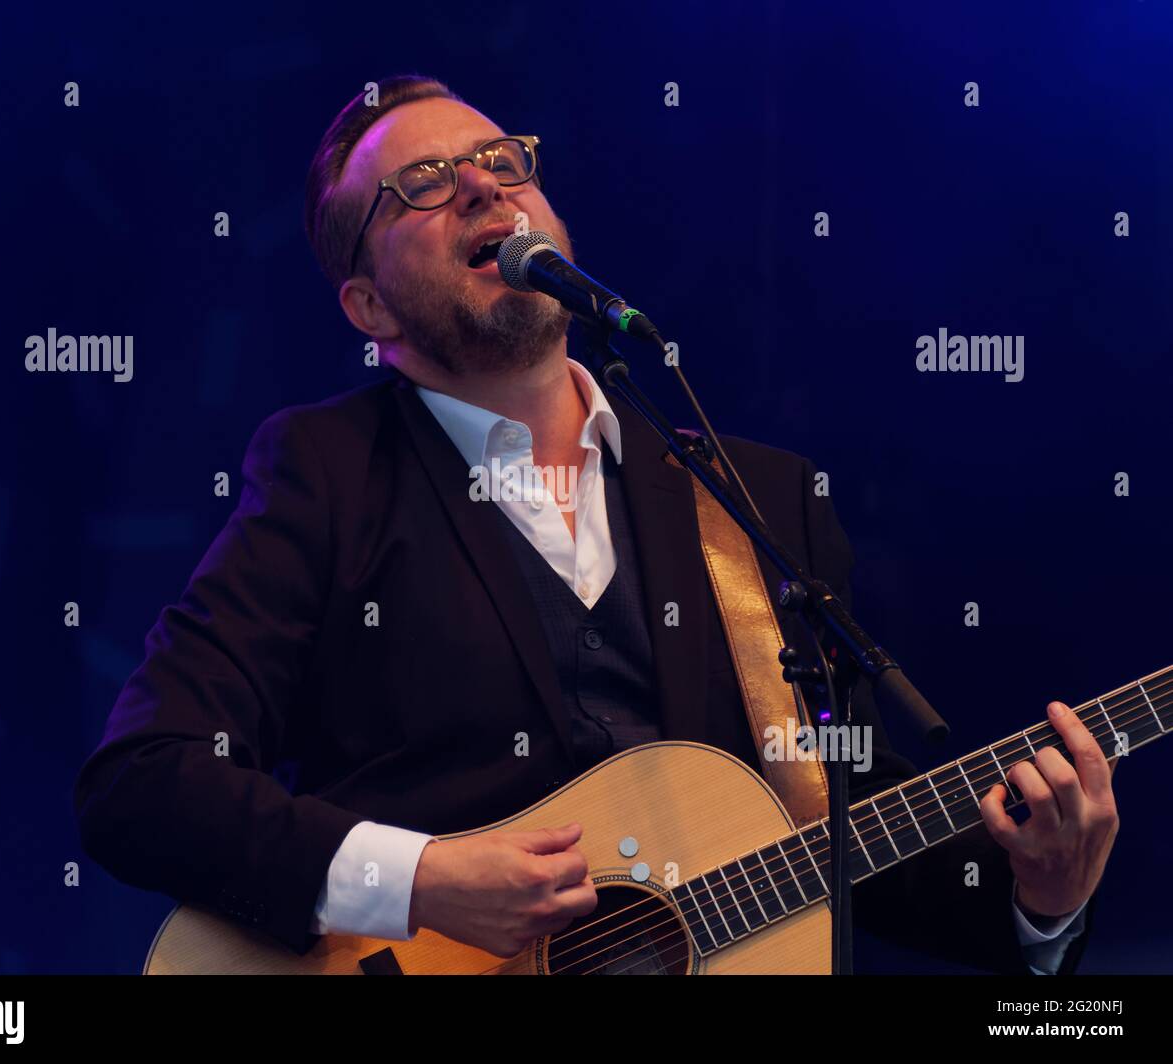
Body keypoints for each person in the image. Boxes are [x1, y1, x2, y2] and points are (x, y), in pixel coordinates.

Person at [74, 74, 1118, 974]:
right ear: (368, 309)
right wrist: (421, 881)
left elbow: (835, 809)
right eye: (422, 186)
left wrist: (1040, 897)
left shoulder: (758, 498)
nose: (483, 184)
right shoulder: (325, 473)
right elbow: (144, 780)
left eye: (500, 160)